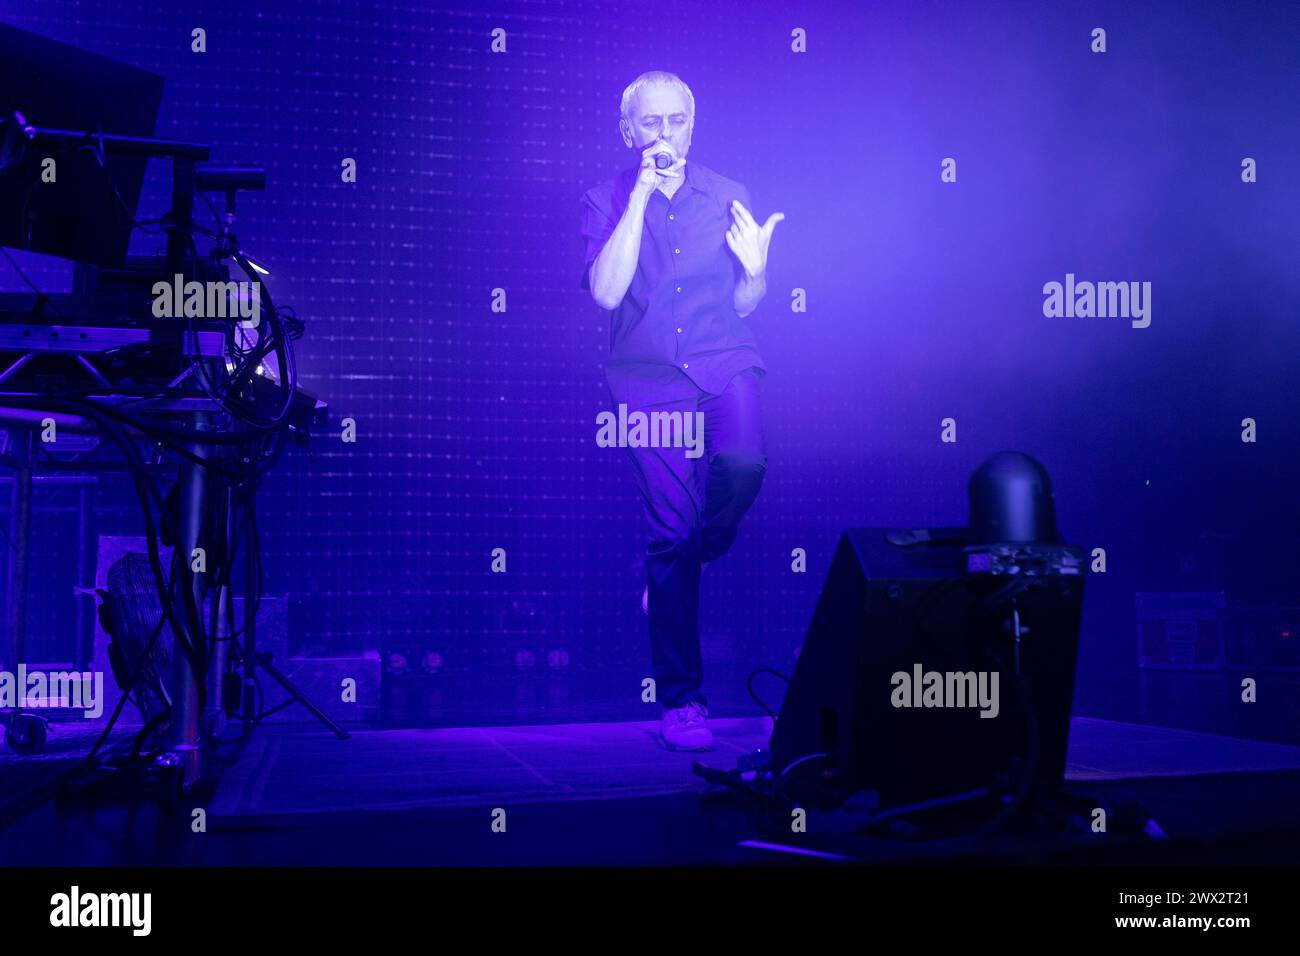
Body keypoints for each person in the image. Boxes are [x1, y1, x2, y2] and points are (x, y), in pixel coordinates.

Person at [580, 70, 784, 751]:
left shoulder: (727, 196)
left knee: (745, 464)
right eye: (651, 123)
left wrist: (756, 273)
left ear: (692, 127)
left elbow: (747, 301)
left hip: (725, 357)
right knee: (668, 535)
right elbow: (607, 295)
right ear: (628, 130)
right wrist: (640, 194)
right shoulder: (604, 197)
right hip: (646, 382)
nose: (664, 135)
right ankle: (683, 702)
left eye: (677, 122)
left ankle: (699, 553)